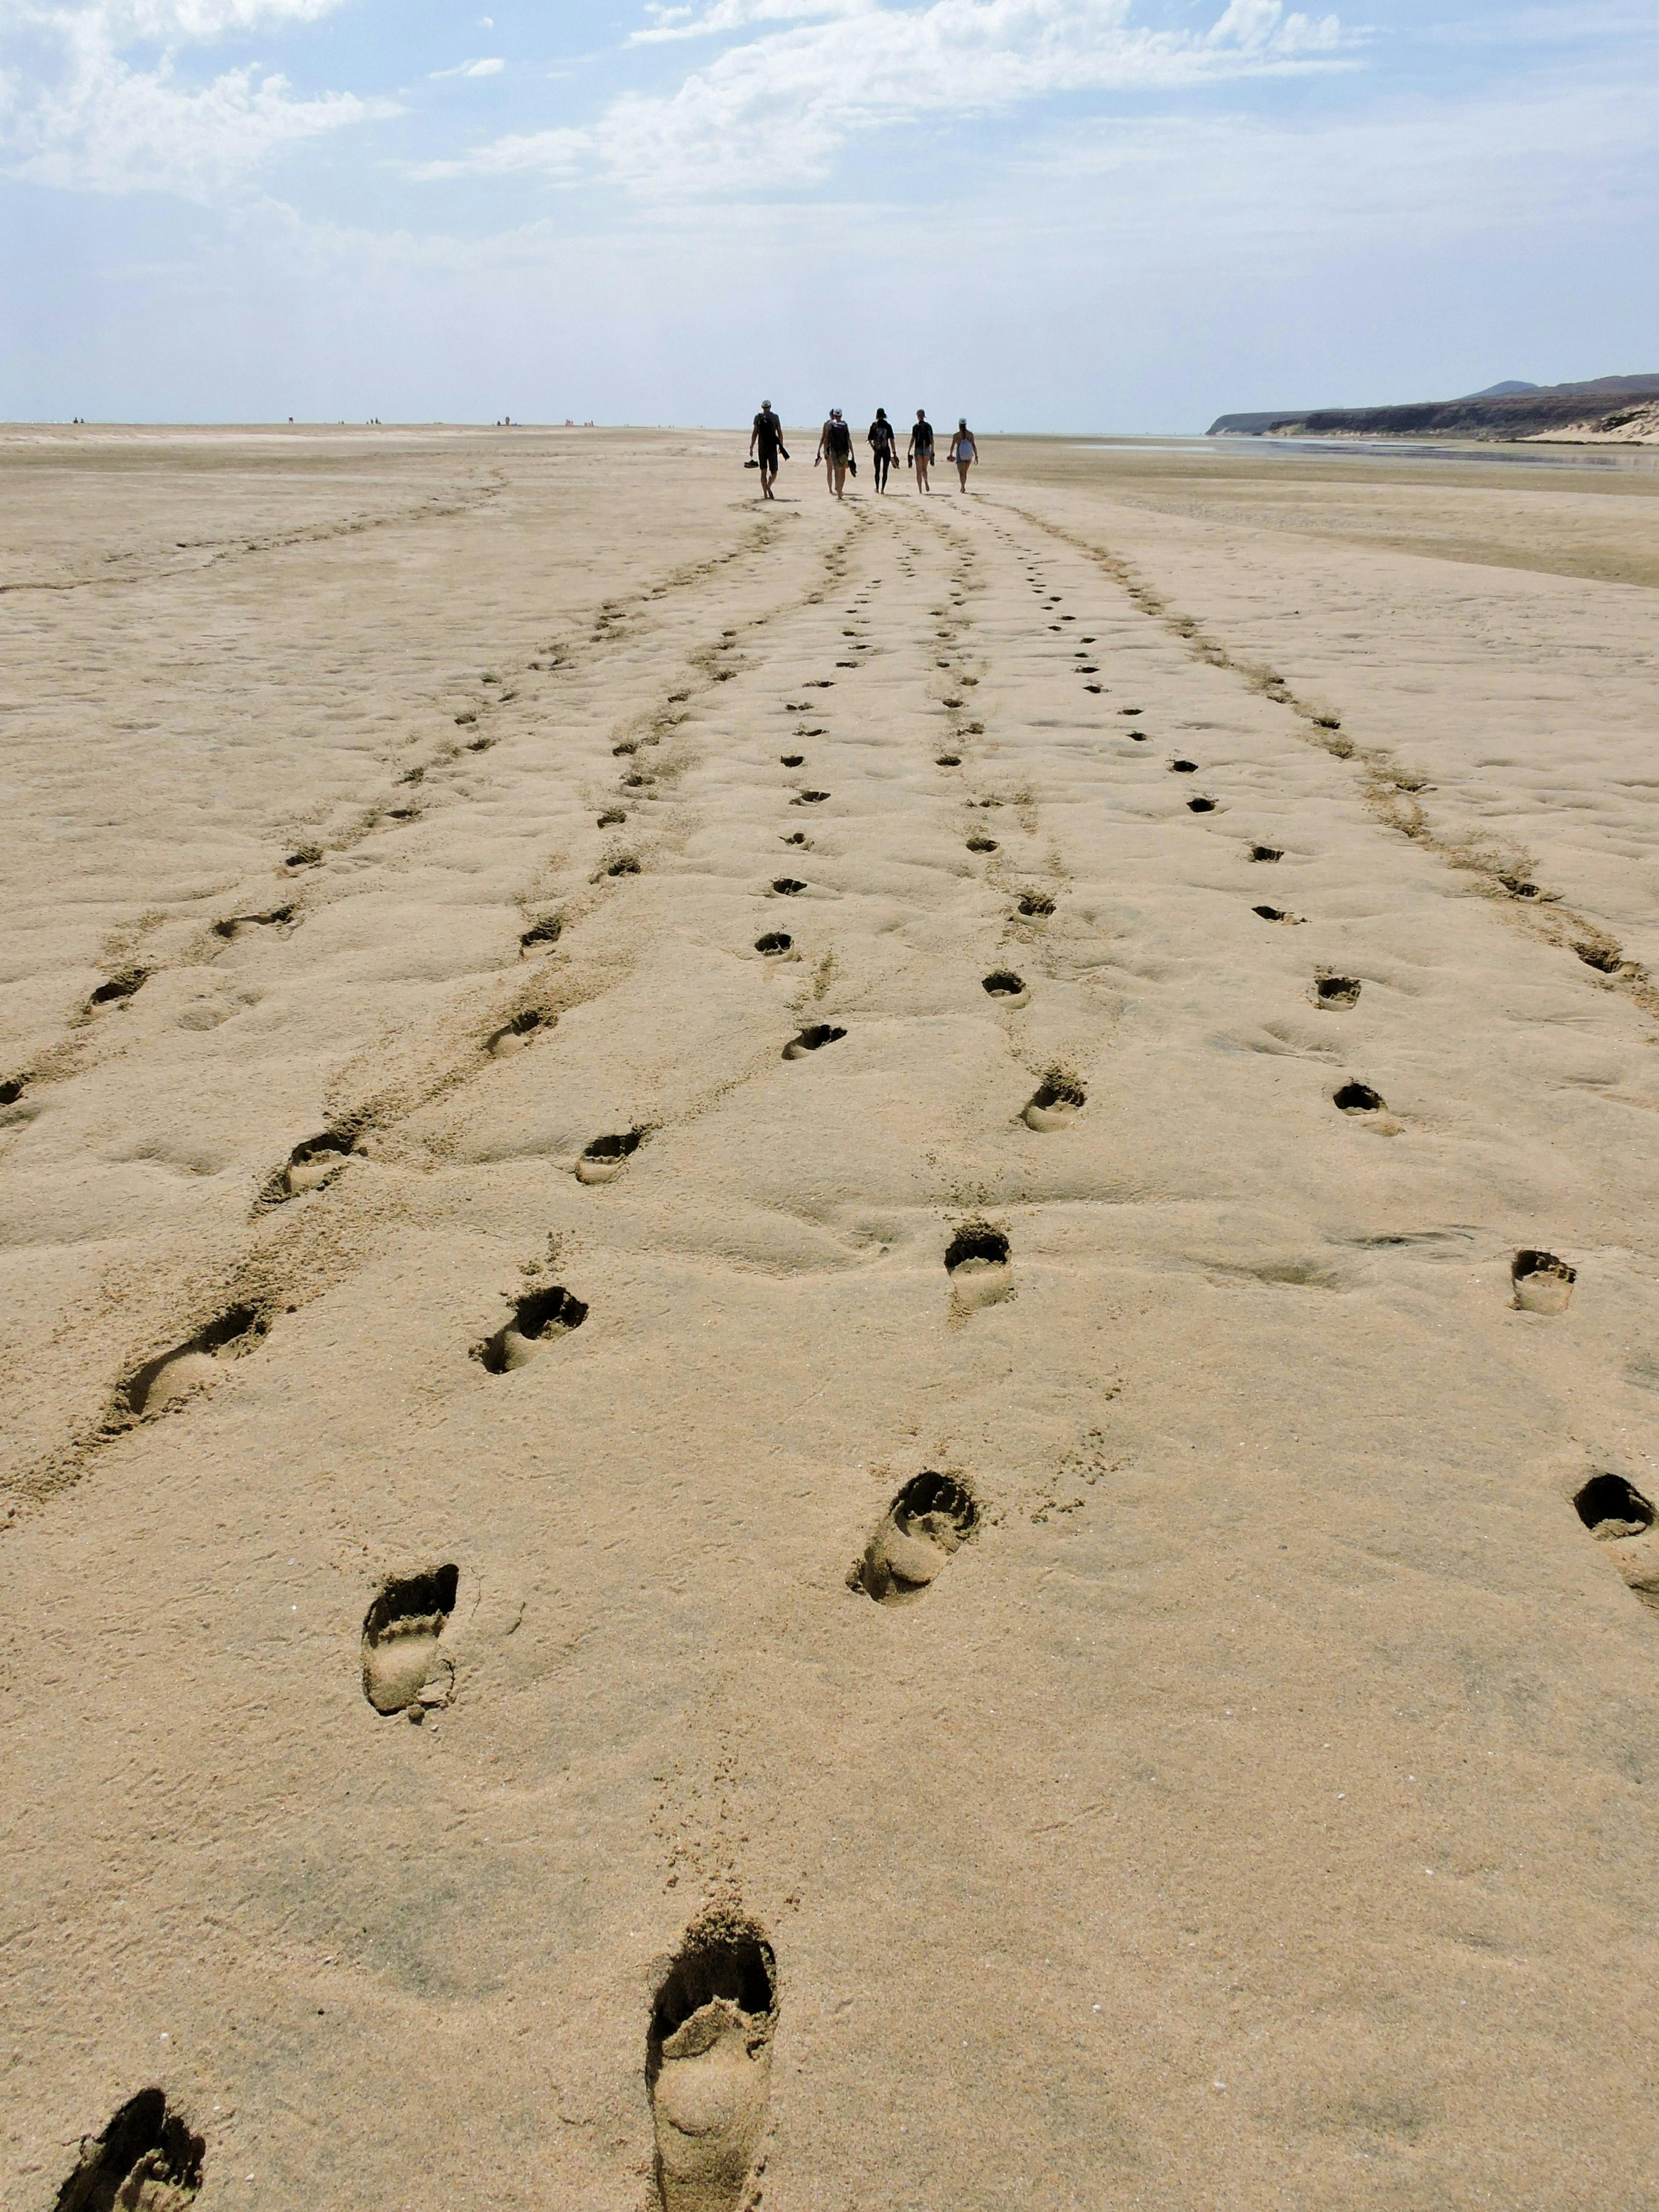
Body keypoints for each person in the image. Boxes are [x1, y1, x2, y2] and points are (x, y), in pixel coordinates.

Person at [815, 408, 854, 498]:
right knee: (840, 470)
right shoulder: (843, 425)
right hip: (840, 451)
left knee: (831, 470)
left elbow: (824, 438)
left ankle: (832, 489)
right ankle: (837, 489)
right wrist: (852, 452)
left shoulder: (828, 424)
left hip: (831, 450)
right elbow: (848, 439)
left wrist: (821, 450)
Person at [749, 400, 784, 499]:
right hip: (772, 447)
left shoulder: (758, 418)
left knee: (763, 471)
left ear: (762, 407)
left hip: (762, 447)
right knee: (774, 472)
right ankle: (769, 486)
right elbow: (780, 432)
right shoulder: (775, 417)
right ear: (770, 407)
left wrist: (752, 446)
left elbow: (755, 433)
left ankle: (765, 494)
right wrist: (781, 446)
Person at [867, 407, 897, 492]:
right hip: (886, 450)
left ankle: (877, 488)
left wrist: (874, 448)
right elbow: (891, 440)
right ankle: (883, 489)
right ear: (884, 415)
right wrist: (894, 452)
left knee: (877, 470)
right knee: (885, 470)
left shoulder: (874, 425)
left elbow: (869, 439)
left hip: (878, 450)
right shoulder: (888, 426)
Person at [908, 408, 934, 493]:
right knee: (924, 469)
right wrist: (932, 451)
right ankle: (925, 482)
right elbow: (932, 440)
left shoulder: (916, 427)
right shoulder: (928, 426)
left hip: (918, 449)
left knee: (919, 471)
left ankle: (920, 490)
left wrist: (909, 451)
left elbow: (913, 440)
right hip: (926, 448)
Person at [947, 418, 979, 491]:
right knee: (965, 472)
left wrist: (951, 454)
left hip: (960, 455)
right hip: (968, 454)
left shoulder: (956, 435)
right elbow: (974, 445)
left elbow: (952, 446)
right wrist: (976, 456)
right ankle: (963, 485)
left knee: (961, 472)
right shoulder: (970, 435)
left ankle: (962, 486)